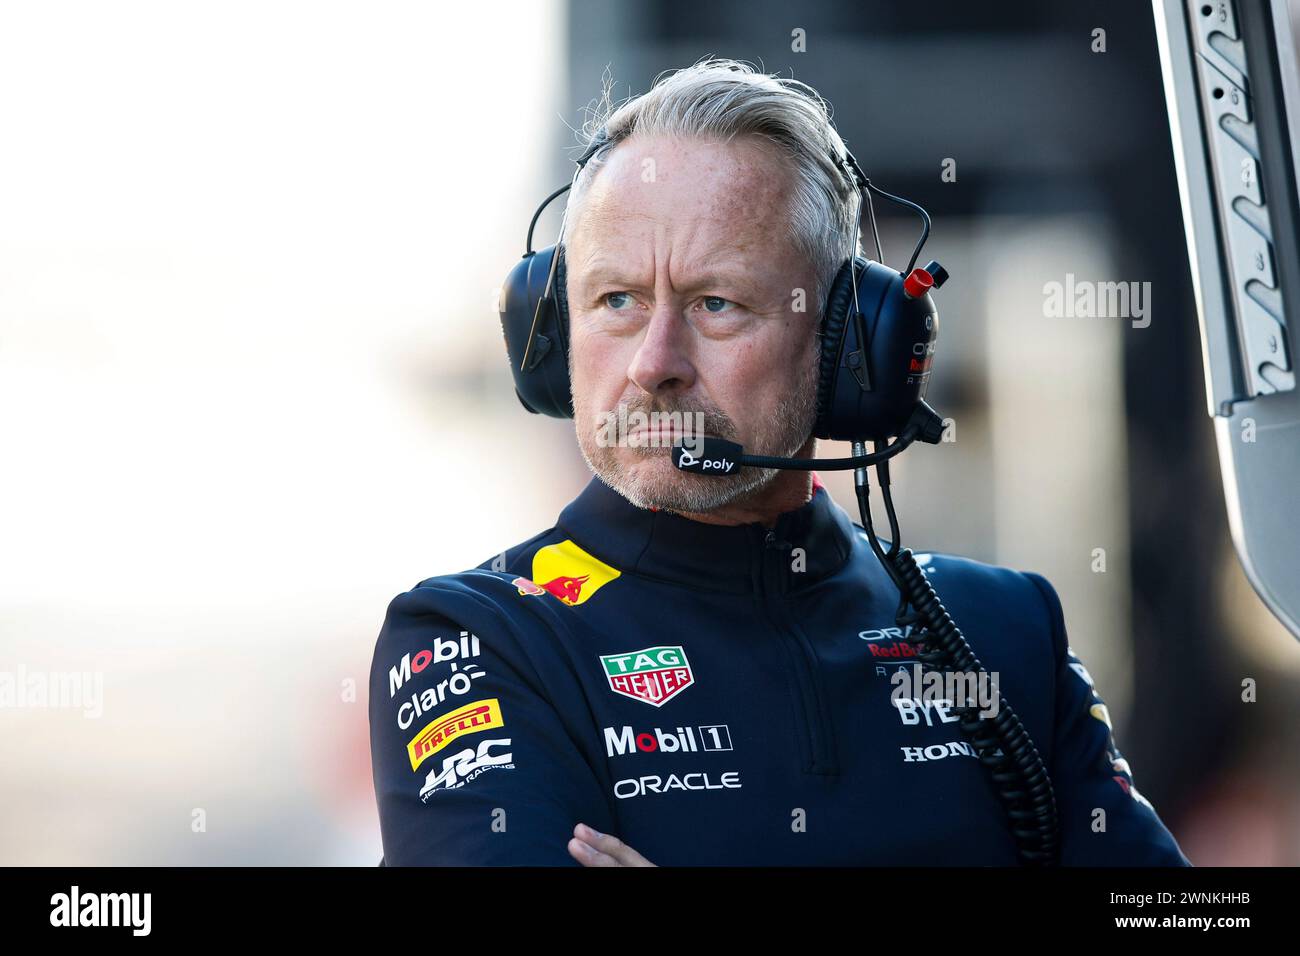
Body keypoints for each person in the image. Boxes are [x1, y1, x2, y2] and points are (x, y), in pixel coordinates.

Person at [368, 58, 1191, 867]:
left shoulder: (1003, 630)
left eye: (715, 303)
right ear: (552, 335)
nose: (654, 362)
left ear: (847, 346)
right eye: (616, 299)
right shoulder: (472, 641)